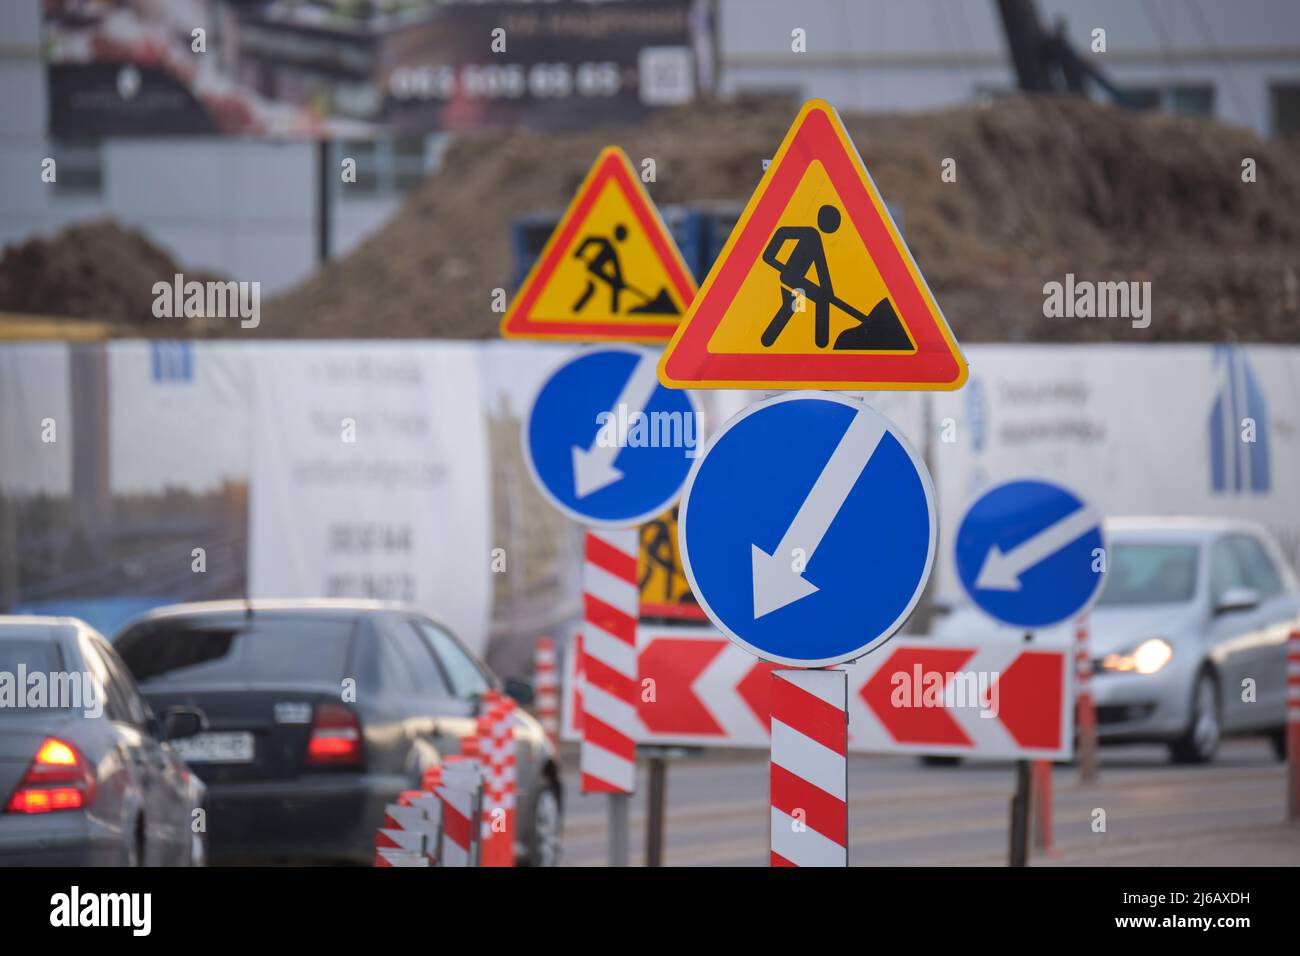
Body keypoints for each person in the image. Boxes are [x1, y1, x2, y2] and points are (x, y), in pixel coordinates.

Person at [760, 204, 841, 348]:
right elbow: (782, 233)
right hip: (791, 278)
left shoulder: (814, 236)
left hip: (795, 279)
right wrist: (771, 258)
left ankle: (767, 340)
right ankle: (822, 343)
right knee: (820, 299)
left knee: (793, 307)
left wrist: (828, 289)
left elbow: (820, 266)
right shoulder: (811, 234)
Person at [572, 224, 629, 313]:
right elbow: (588, 239)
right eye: (621, 235)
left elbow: (617, 268)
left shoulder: (614, 251)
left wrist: (621, 281)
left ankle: (614, 313)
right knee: (594, 290)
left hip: (598, 271)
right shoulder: (606, 242)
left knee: (615, 286)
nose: (622, 238)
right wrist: (579, 250)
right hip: (594, 269)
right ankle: (576, 309)